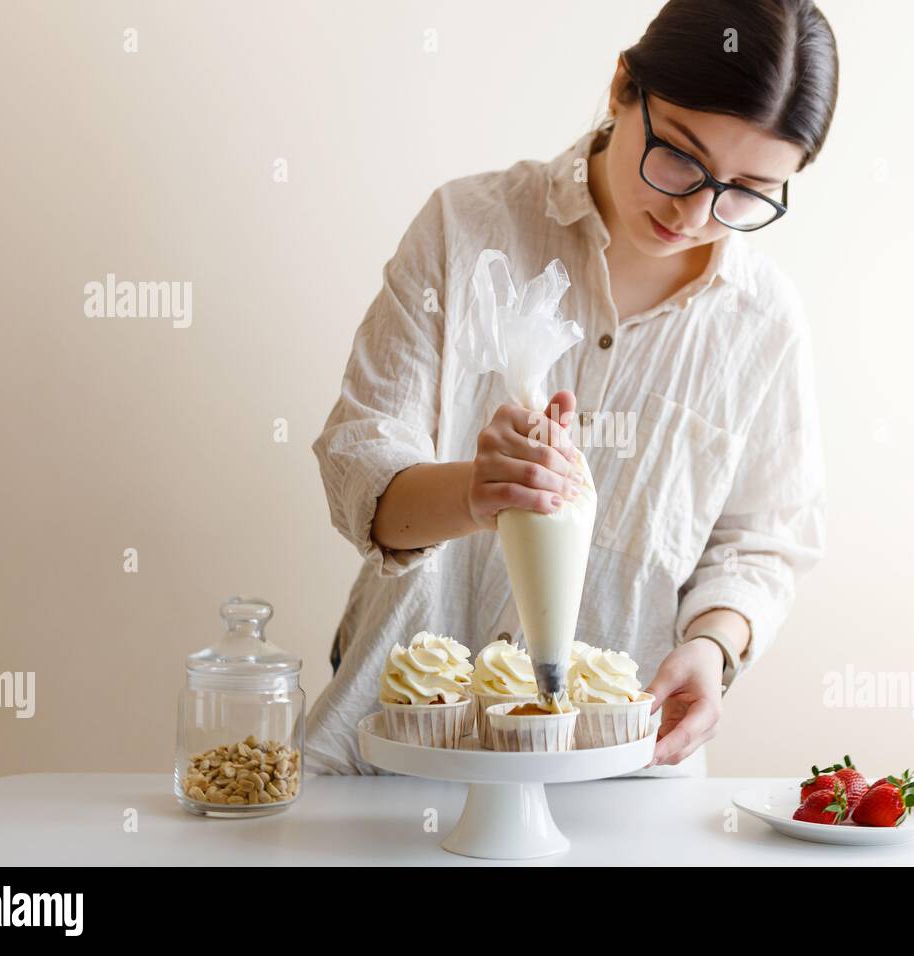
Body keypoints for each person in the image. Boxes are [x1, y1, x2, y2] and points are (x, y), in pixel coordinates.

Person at [305, 0, 836, 776]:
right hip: (398, 755)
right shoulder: (467, 229)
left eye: (748, 190)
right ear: (624, 86)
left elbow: (761, 542)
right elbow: (359, 468)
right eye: (681, 158)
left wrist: (712, 648)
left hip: (616, 769)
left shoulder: (763, 322)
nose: (695, 212)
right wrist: (474, 492)